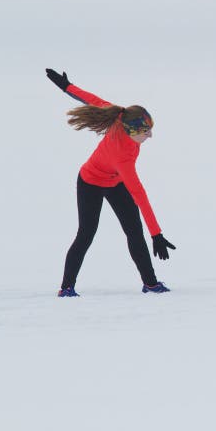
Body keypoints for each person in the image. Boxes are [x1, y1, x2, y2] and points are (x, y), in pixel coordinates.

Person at [46, 68, 176, 296]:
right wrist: (156, 233)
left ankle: (151, 284)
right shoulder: (123, 157)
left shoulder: (120, 115)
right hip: (90, 182)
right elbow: (139, 194)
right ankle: (66, 288)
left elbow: (87, 98)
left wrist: (67, 86)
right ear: (132, 131)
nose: (150, 136)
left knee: (134, 231)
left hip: (114, 183)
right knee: (86, 234)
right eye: (146, 132)